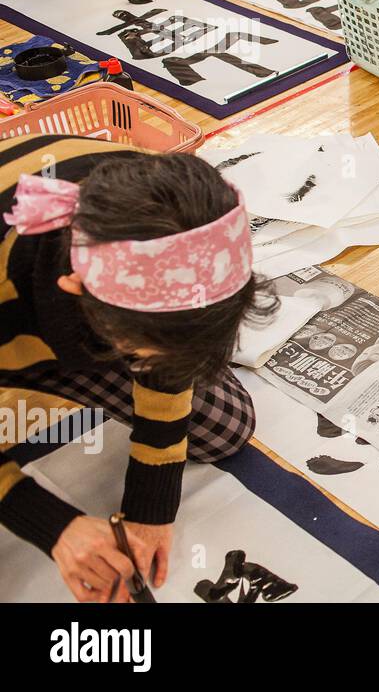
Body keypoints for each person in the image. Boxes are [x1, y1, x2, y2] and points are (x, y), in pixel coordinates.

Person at [0, 135, 272, 602]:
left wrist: (151, 506)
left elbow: (168, 347)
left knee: (225, 428)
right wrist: (54, 526)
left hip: (90, 321)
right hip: (18, 315)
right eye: (143, 355)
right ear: (77, 289)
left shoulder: (179, 207)